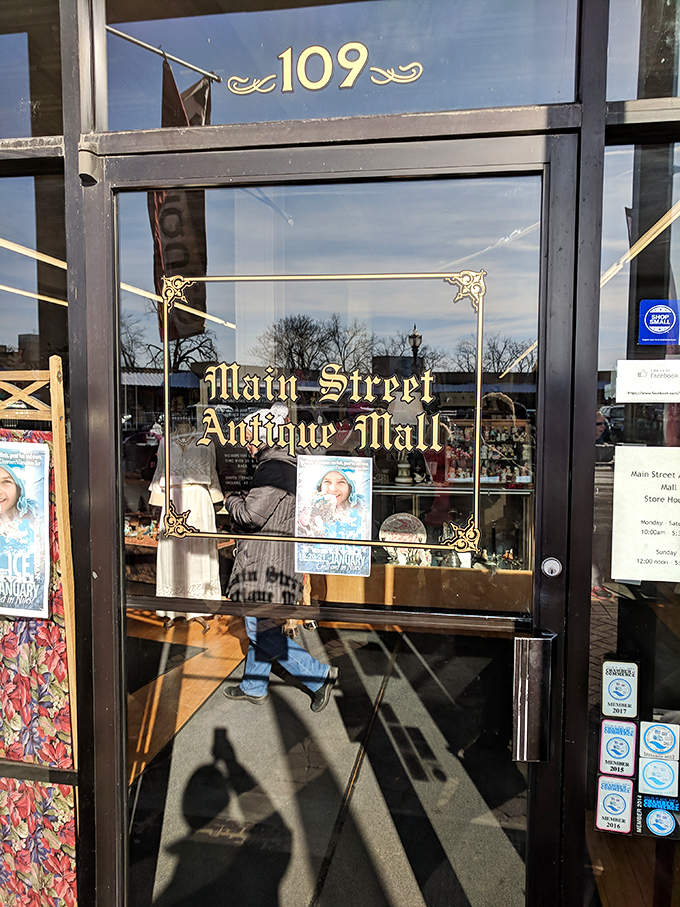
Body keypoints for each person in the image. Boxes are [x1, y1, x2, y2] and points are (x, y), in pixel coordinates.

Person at [223, 404, 338, 710]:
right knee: (264, 626)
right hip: (277, 560)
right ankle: (254, 685)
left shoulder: (273, 467)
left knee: (258, 628)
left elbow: (250, 515)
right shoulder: (287, 463)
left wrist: (230, 498)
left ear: (263, 437)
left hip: (266, 563)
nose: (245, 443)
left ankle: (319, 675)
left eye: (249, 436)